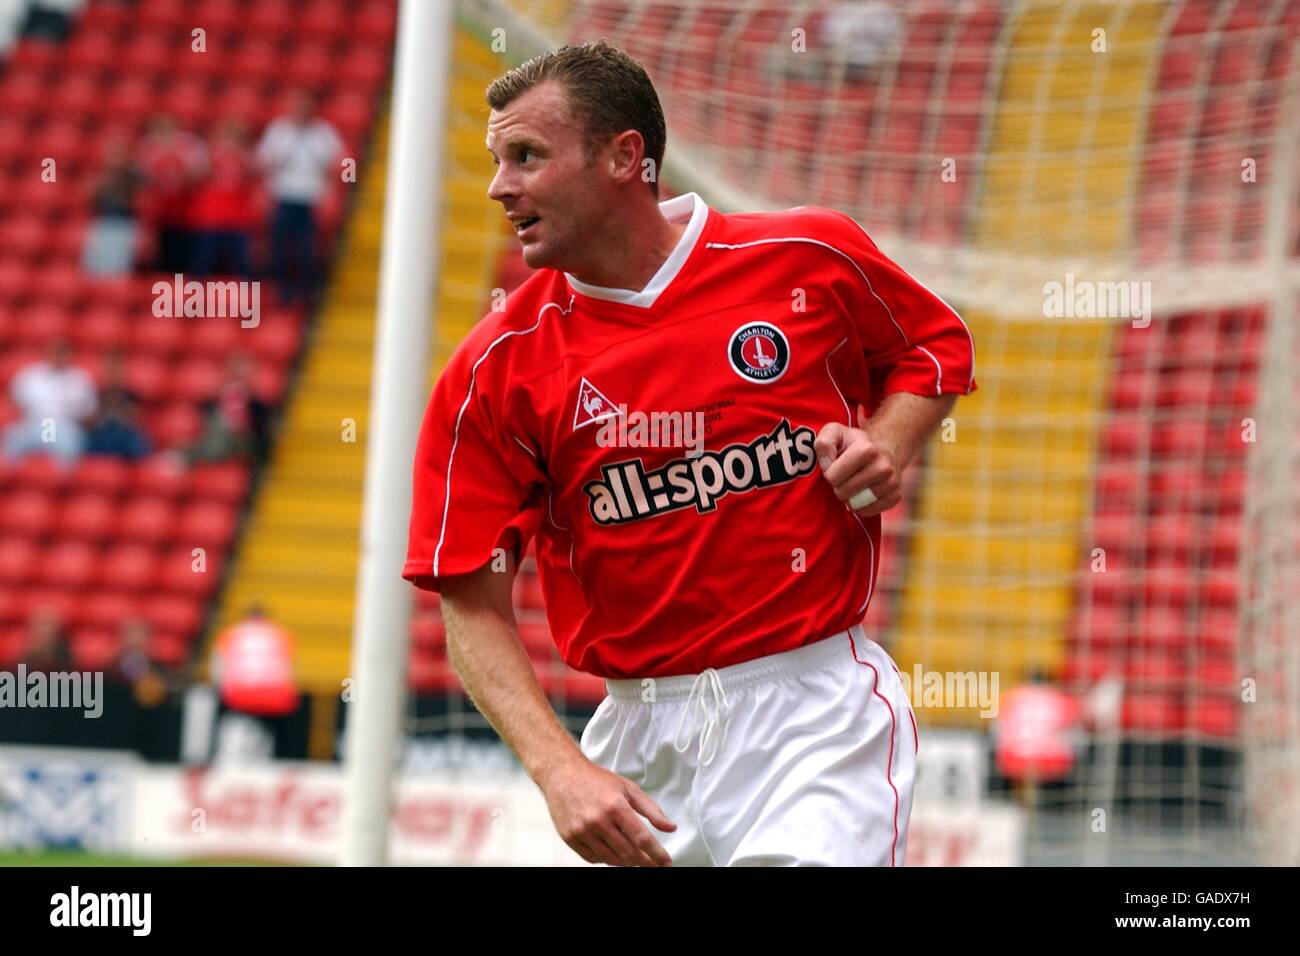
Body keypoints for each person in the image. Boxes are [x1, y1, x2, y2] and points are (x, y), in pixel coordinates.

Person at [402, 42, 977, 867]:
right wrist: (558, 769)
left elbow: (934, 348)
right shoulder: (494, 369)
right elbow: (470, 601)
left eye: (526, 156)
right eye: (497, 160)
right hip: (635, 747)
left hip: (811, 715)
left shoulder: (806, 257)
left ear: (624, 156)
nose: (501, 186)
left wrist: (886, 445)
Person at [256, 90, 343, 303]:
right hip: (283, 195)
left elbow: (339, 162)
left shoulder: (324, 133)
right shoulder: (279, 131)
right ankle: (282, 292)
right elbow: (263, 161)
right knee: (280, 247)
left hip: (312, 197)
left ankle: (307, 293)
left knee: (307, 250)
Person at [3, 339, 98, 467]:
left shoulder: (79, 379)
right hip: (34, 423)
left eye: (62, 353)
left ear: (69, 355)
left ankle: (63, 483)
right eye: (55, 352)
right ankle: (7, 480)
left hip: (65, 426)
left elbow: (89, 412)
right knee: (11, 439)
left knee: (69, 447)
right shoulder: (31, 375)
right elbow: (16, 401)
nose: (58, 356)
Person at [137, 113, 207, 275]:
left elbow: (196, 175)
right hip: (161, 209)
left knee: (182, 247)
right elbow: (145, 178)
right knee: (161, 250)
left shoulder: (186, 147)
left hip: (183, 208)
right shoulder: (150, 149)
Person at [189, 119, 257, 279]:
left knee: (240, 266)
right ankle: (195, 298)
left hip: (237, 219)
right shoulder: (209, 154)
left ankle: (244, 300)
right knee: (202, 263)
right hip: (211, 218)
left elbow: (255, 176)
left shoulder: (246, 157)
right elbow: (195, 176)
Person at [180, 352, 269, 464]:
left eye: (244, 368)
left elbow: (260, 423)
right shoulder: (218, 395)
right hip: (221, 435)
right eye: (237, 368)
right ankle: (185, 456)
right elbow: (206, 412)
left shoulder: (255, 400)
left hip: (244, 437)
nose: (240, 373)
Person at [80, 136, 143, 276]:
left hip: (123, 224)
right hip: (102, 223)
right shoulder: (102, 176)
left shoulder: (133, 176)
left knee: (115, 270)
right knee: (94, 269)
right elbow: (90, 199)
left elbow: (135, 201)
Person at [85, 348, 151, 459]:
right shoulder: (97, 394)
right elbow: (91, 422)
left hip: (123, 436)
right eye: (110, 369)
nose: (113, 373)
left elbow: (132, 421)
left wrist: (117, 400)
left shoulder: (130, 395)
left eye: (116, 369)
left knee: (139, 446)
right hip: (101, 435)